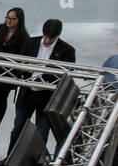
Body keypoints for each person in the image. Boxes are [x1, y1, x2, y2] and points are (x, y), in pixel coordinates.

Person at [5, 19, 76, 156]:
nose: (47, 40)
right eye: (46, 36)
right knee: (17, 128)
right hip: (27, 94)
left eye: (51, 38)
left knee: (41, 133)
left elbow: (66, 76)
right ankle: (9, 158)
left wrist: (43, 79)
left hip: (47, 98)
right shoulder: (31, 43)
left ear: (58, 35)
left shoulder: (67, 51)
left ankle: (36, 164)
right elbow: (20, 64)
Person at [0, 8, 29, 136]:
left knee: (1, 99)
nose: (9, 21)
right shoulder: (1, 29)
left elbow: (21, 56)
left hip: (8, 73)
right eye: (7, 17)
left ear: (19, 20)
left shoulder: (23, 37)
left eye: (13, 19)